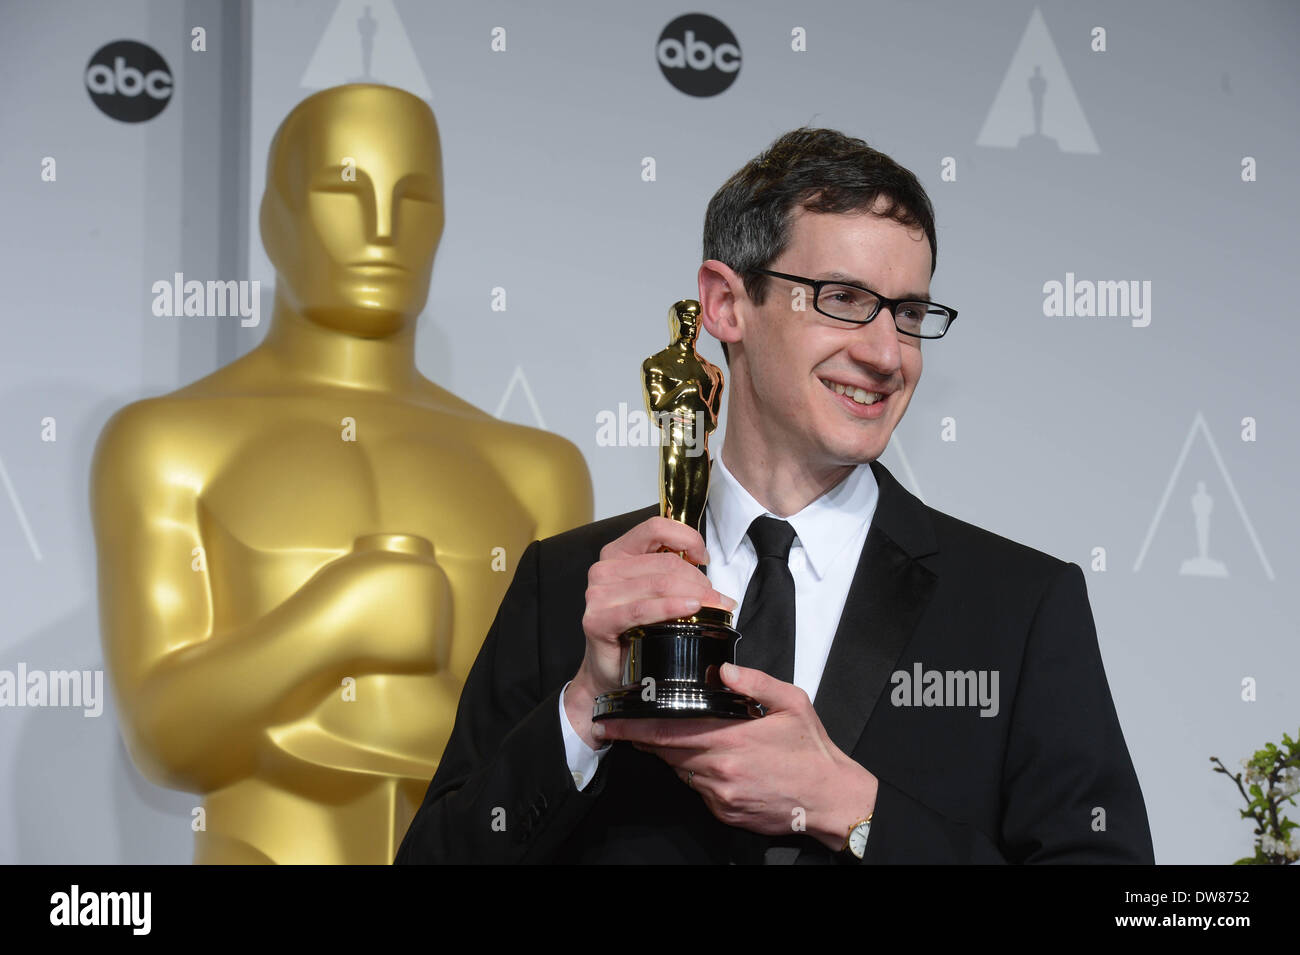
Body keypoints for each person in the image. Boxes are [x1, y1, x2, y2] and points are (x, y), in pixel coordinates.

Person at [395, 127, 1155, 864]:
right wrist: (583, 707)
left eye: (910, 314)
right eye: (843, 299)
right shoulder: (566, 587)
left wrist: (853, 809)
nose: (887, 354)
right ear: (726, 304)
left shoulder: (1017, 608)